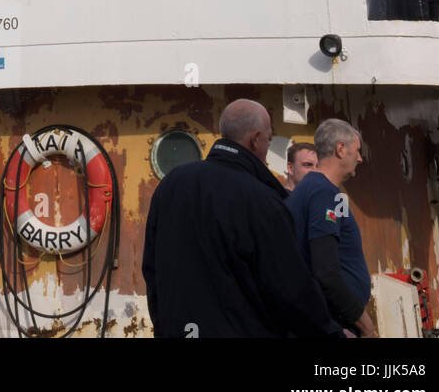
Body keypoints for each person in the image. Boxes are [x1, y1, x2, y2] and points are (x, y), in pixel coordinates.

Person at [141, 99, 344, 338]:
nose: (267, 147)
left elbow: (152, 270)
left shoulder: (170, 186)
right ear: (255, 139)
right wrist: (332, 333)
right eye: (268, 139)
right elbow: (290, 290)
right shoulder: (261, 200)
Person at [286, 119, 375, 338]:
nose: (360, 158)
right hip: (336, 324)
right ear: (340, 149)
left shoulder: (315, 189)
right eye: (357, 151)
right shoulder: (323, 192)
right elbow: (325, 271)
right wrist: (365, 326)